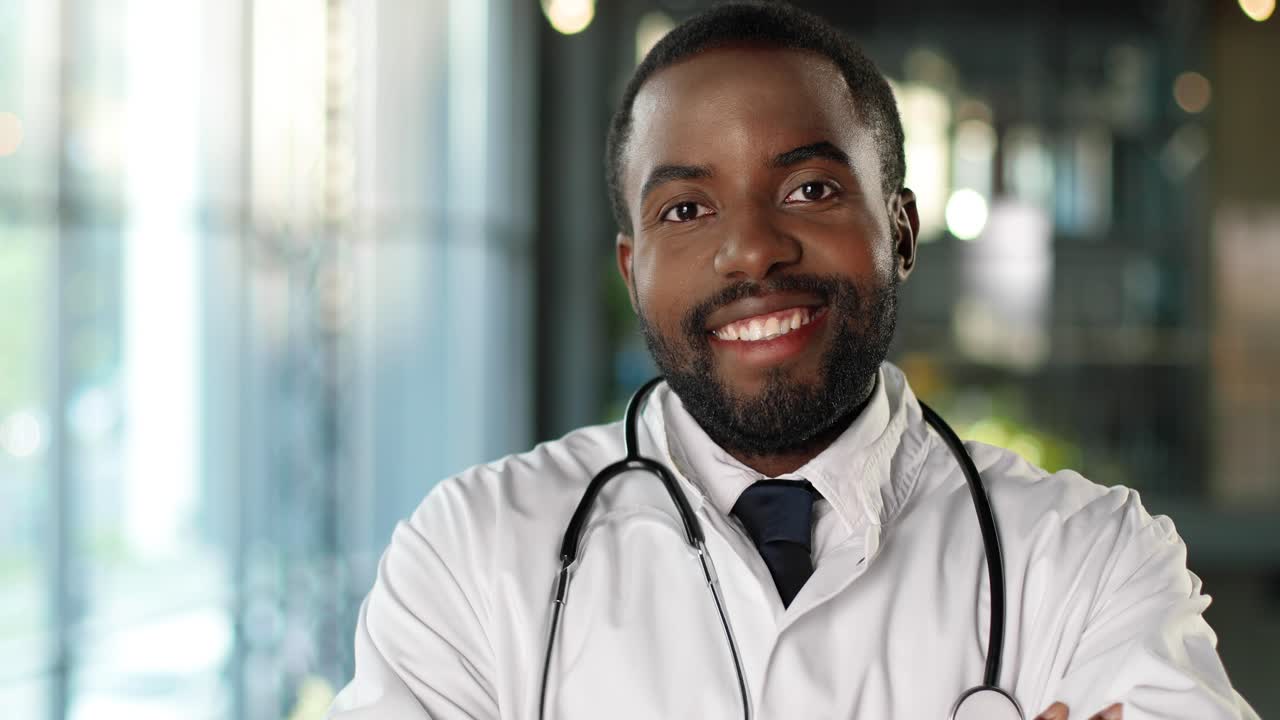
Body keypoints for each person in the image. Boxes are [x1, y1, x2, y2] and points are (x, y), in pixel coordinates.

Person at [327, 3, 1259, 719]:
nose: (751, 251)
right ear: (632, 270)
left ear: (900, 231)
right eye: (686, 210)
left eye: (810, 189)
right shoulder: (473, 553)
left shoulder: (1090, 559)